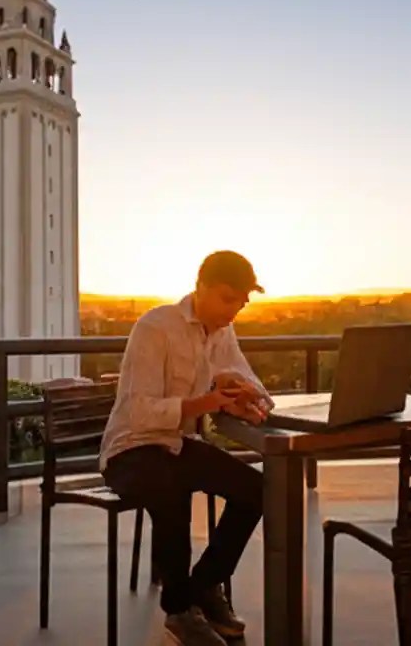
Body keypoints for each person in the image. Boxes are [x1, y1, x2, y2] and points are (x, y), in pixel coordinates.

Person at [99, 250, 273, 645]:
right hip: (130, 449)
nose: (234, 311)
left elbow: (254, 384)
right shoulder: (155, 327)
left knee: (259, 490)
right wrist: (209, 403)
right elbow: (140, 413)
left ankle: (205, 586)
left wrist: (247, 396)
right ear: (201, 289)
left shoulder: (222, 332)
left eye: (241, 303)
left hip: (176, 443)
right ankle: (179, 611)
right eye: (228, 299)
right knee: (170, 486)